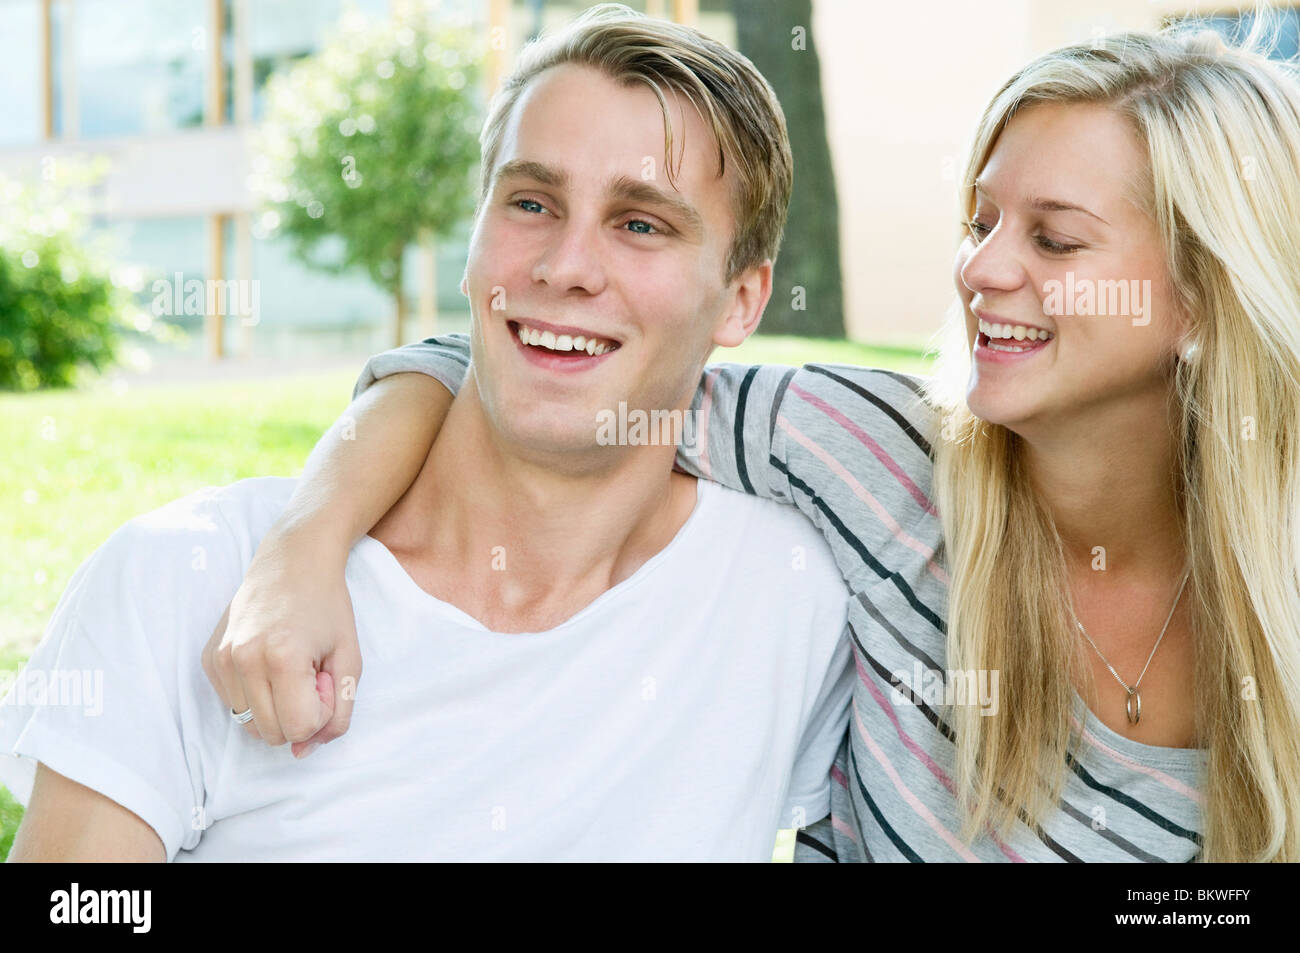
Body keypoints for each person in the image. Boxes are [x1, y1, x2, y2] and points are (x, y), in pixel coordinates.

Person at [209, 21, 1300, 862]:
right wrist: (299, 551)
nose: (979, 270)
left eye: (1052, 239)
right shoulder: (875, 460)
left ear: (1204, 296)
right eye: (980, 224)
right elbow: (510, 363)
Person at [0, 5, 856, 862]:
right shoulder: (187, 580)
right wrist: (310, 539)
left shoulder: (795, 599)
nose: (564, 267)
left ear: (743, 298)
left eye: (640, 224)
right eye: (531, 202)